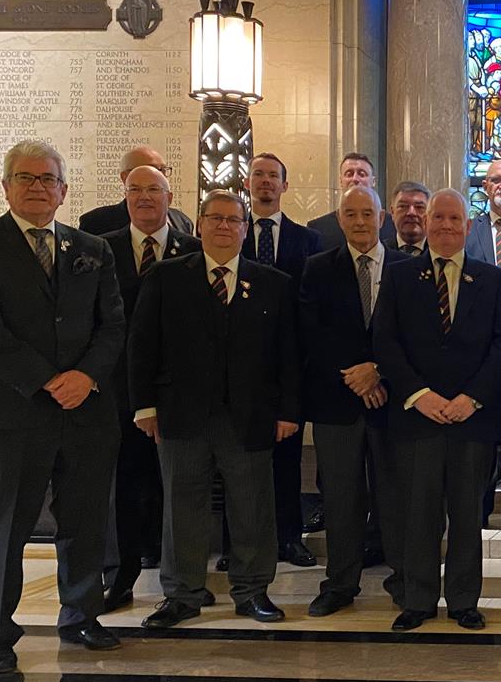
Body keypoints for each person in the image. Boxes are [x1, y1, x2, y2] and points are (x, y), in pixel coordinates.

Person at [0, 140, 126, 682]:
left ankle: (81, 615)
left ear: (63, 189)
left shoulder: (91, 249)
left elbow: (113, 325)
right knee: (4, 527)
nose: (38, 187)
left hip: (85, 410)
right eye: (26, 178)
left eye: (48, 179)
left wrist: (86, 377)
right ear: (5, 186)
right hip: (11, 413)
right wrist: (46, 380)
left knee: (84, 521)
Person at [132, 189, 301, 629]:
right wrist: (144, 406)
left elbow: (289, 355)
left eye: (234, 220)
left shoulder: (272, 283)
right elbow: (142, 346)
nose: (225, 227)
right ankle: (182, 594)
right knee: (182, 505)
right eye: (216, 219)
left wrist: (288, 412)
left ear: (246, 229)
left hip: (249, 416)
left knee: (252, 505)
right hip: (181, 416)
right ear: (200, 225)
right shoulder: (167, 277)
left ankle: (251, 591)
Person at [372, 190, 501, 632]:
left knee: (468, 514)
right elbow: (385, 341)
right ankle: (417, 600)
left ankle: (463, 601)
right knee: (419, 513)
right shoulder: (398, 276)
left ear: (469, 227)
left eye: (455, 218)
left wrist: (470, 398)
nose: (447, 226)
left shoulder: (493, 280)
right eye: (439, 218)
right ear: (426, 222)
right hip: (418, 418)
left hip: (472, 419)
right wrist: (420, 395)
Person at [298, 187, 407, 616]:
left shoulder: (406, 267)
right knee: (341, 498)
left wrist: (379, 370)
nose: (360, 221)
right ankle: (340, 582)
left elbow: (413, 335)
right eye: (351, 214)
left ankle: (404, 578)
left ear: (383, 219)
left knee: (394, 495)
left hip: (392, 403)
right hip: (337, 402)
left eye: (368, 213)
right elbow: (312, 333)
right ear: (340, 219)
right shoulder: (318, 269)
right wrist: (357, 375)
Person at [98, 163, 200, 609]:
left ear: (169, 197)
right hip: (119, 391)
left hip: (179, 391)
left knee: (177, 484)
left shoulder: (193, 250)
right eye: (135, 189)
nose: (144, 197)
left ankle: (177, 576)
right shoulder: (102, 250)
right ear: (125, 196)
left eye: (153, 190)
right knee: (123, 480)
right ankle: (119, 574)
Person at [240, 152, 322, 567]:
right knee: (237, 460)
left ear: (285, 186)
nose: (266, 182)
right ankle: (239, 543)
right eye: (259, 175)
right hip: (237, 366)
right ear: (247, 182)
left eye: (273, 175)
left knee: (286, 459)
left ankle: (290, 536)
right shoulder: (230, 233)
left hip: (289, 364)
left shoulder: (306, 240)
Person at [78, 146, 195, 236]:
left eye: (163, 170)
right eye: (151, 169)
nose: (160, 175)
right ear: (125, 177)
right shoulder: (96, 223)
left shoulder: (182, 221)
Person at [307, 153, 398, 249]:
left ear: (373, 181)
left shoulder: (392, 225)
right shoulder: (318, 229)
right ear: (341, 181)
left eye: (362, 174)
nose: (355, 179)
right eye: (349, 174)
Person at [388, 181, 431, 256]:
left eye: (419, 207)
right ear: (392, 212)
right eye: (403, 206)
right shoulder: (381, 252)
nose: (411, 213)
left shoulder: (440, 253)